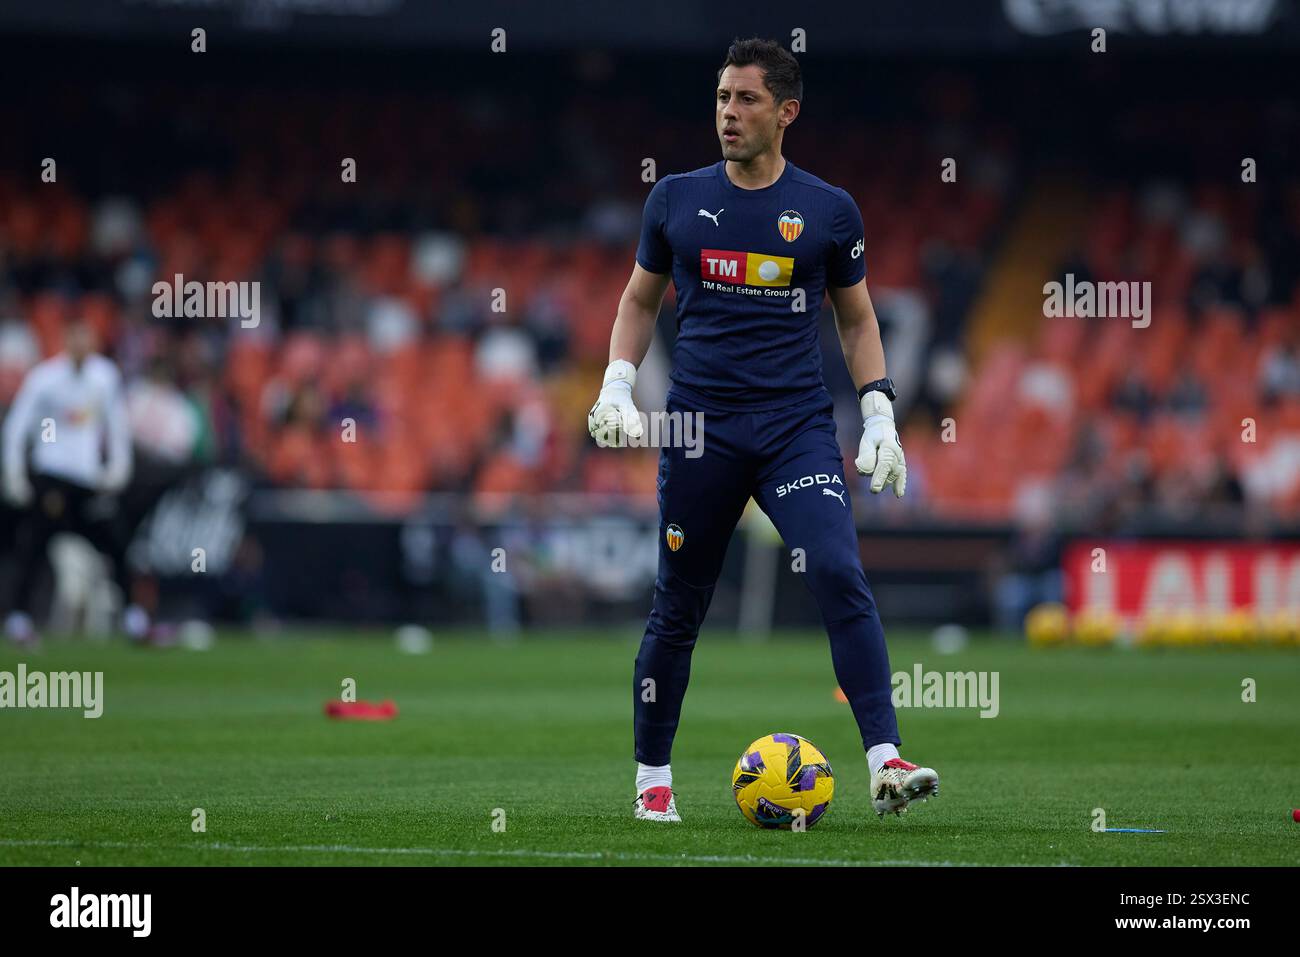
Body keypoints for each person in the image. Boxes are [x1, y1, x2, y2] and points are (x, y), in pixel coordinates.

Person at [588, 37, 939, 823]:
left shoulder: (827, 210)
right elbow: (639, 301)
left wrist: (878, 409)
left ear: (787, 112)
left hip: (795, 430)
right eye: (721, 98)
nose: (728, 114)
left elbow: (857, 320)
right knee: (678, 605)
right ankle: (653, 779)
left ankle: (886, 759)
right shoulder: (674, 198)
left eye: (745, 99)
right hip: (697, 430)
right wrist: (615, 381)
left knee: (840, 573)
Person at [2, 317, 148, 643]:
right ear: (66, 340)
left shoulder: (104, 377)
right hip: (51, 479)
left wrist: (118, 467)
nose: (82, 344)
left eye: (87, 337)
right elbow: (17, 427)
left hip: (87, 480)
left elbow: (117, 425)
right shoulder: (45, 379)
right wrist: (14, 474)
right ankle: (18, 619)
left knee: (116, 543)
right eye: (76, 337)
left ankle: (134, 619)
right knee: (34, 548)